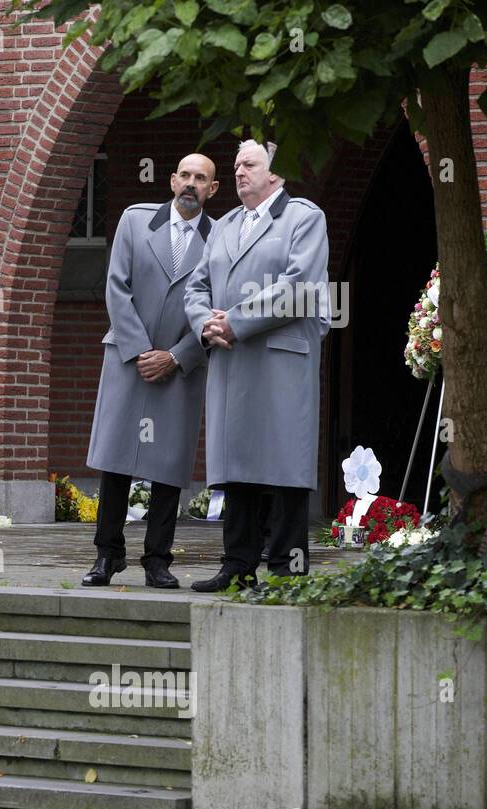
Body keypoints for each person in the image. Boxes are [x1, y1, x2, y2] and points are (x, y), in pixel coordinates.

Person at [184, 140, 331, 591]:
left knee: (285, 463)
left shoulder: (304, 218)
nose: (239, 172)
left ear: (276, 173)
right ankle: (237, 565)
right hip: (232, 360)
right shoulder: (226, 224)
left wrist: (238, 322)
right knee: (237, 464)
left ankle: (288, 567)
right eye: (235, 165)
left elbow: (301, 284)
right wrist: (205, 323)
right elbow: (197, 286)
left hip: (280, 359)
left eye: (249, 164)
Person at [82, 154, 219, 588]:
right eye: (185, 175)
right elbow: (116, 285)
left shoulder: (221, 239)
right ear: (172, 179)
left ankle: (157, 560)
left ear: (212, 190)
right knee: (116, 459)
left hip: (181, 365)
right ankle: (107, 555)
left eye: (201, 179)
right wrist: (142, 350)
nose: (191, 184)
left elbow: (217, 309)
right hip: (128, 356)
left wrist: (177, 356)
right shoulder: (135, 221)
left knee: (168, 465)